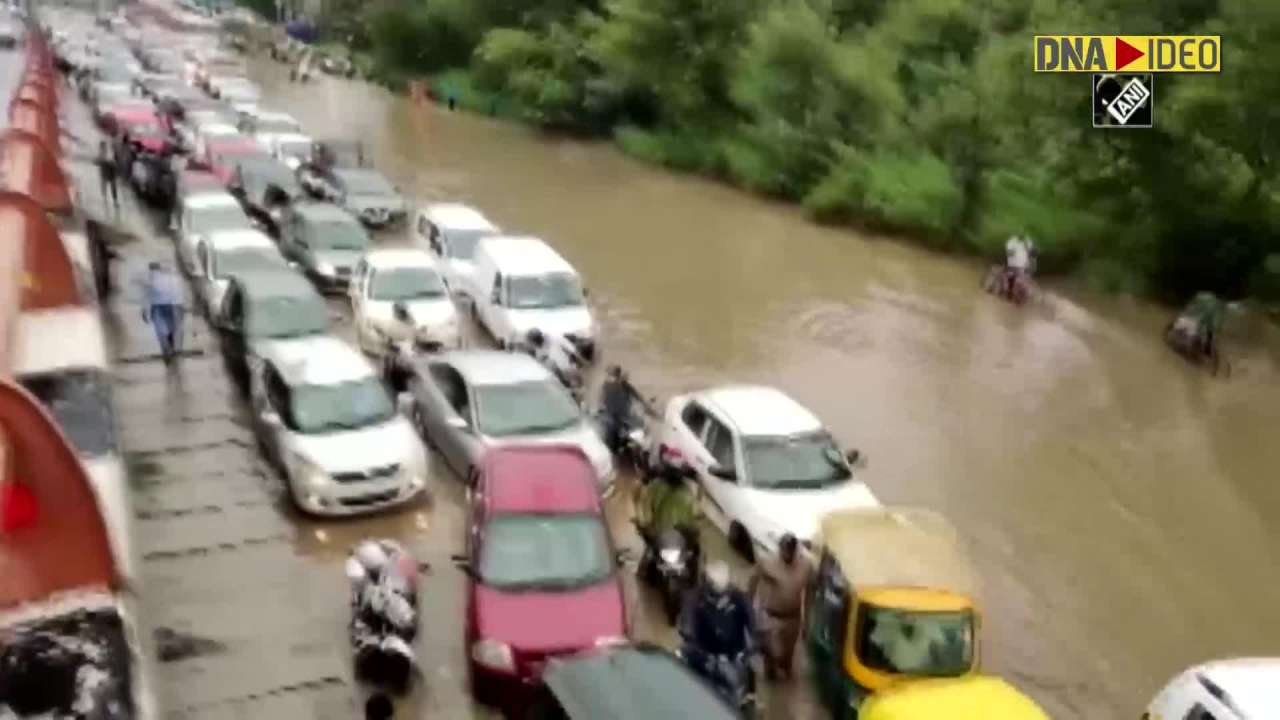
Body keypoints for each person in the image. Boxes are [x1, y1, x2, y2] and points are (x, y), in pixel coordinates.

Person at [746, 533, 814, 680]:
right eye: (785, 550)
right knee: (774, 651)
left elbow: (809, 592)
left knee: (787, 654)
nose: (787, 554)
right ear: (780, 548)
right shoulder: (767, 561)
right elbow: (753, 579)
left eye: (790, 550)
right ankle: (769, 668)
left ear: (795, 550)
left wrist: (807, 621)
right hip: (771, 615)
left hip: (793, 617)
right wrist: (749, 606)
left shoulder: (806, 566)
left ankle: (785, 668)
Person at [680, 561, 755, 688]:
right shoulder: (694, 599)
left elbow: (752, 621)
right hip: (705, 657)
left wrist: (752, 646)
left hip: (734, 657)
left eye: (724, 594)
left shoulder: (738, 597)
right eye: (715, 594)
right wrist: (700, 653)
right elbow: (687, 623)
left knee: (747, 678)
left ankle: (750, 694)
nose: (720, 600)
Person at [600, 365, 644, 453]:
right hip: (616, 417)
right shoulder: (608, 385)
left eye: (612, 375)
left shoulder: (617, 385)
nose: (611, 378)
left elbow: (637, 396)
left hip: (620, 416)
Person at [1183, 291, 1226, 357]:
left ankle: (1199, 346)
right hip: (1201, 322)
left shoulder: (1203, 297)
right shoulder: (1218, 305)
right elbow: (1215, 321)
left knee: (1199, 332)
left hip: (1197, 320)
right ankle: (1204, 348)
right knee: (1206, 333)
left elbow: (1191, 306)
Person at [96, 140, 119, 212]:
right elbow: (96, 162)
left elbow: (115, 163)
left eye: (103, 146)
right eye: (102, 147)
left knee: (113, 188)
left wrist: (112, 163)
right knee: (105, 186)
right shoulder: (100, 154)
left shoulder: (111, 153)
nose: (103, 148)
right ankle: (105, 199)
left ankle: (114, 201)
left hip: (111, 173)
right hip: (105, 173)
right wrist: (101, 160)